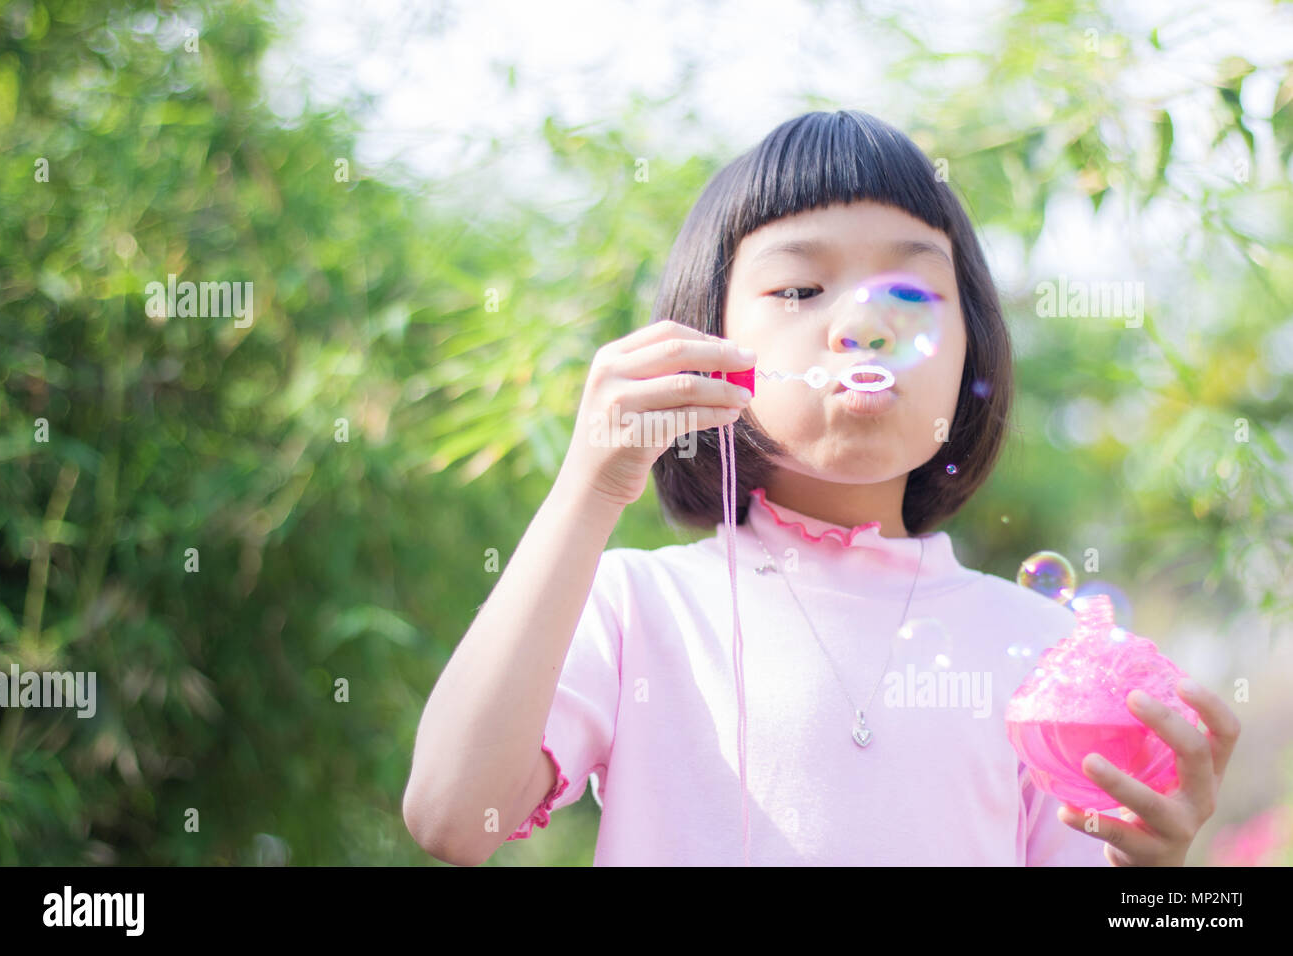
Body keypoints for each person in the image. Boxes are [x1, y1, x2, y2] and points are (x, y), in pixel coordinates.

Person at [402, 109, 1240, 866]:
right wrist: (585, 491)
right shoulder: (637, 608)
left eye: (911, 293)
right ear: (706, 343)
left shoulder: (1047, 653)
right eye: (800, 289)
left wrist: (1153, 880)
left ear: (971, 354)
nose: (864, 324)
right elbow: (451, 815)